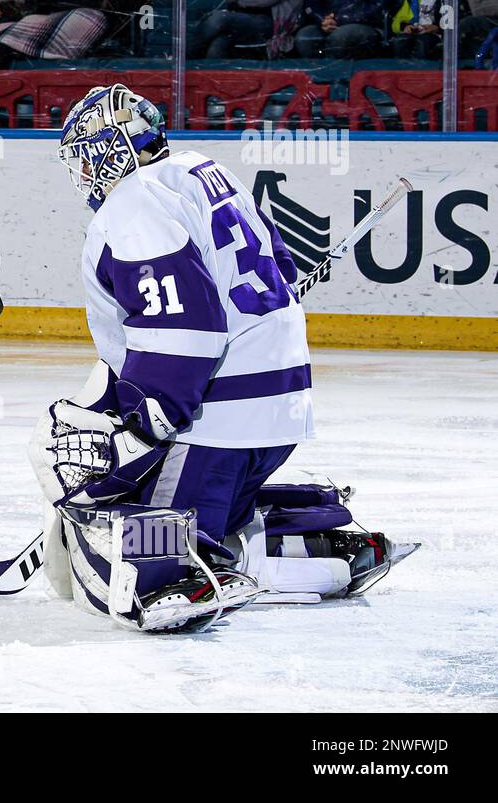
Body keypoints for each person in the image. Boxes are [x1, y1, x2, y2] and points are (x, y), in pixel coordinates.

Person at [30, 83, 417, 633]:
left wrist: (149, 416)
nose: (83, 175)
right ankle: (325, 550)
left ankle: (177, 576)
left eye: (84, 158)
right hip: (277, 403)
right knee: (218, 513)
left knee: (141, 528)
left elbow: (182, 327)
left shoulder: (134, 203)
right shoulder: (200, 168)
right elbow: (276, 265)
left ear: (108, 151)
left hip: (217, 414)